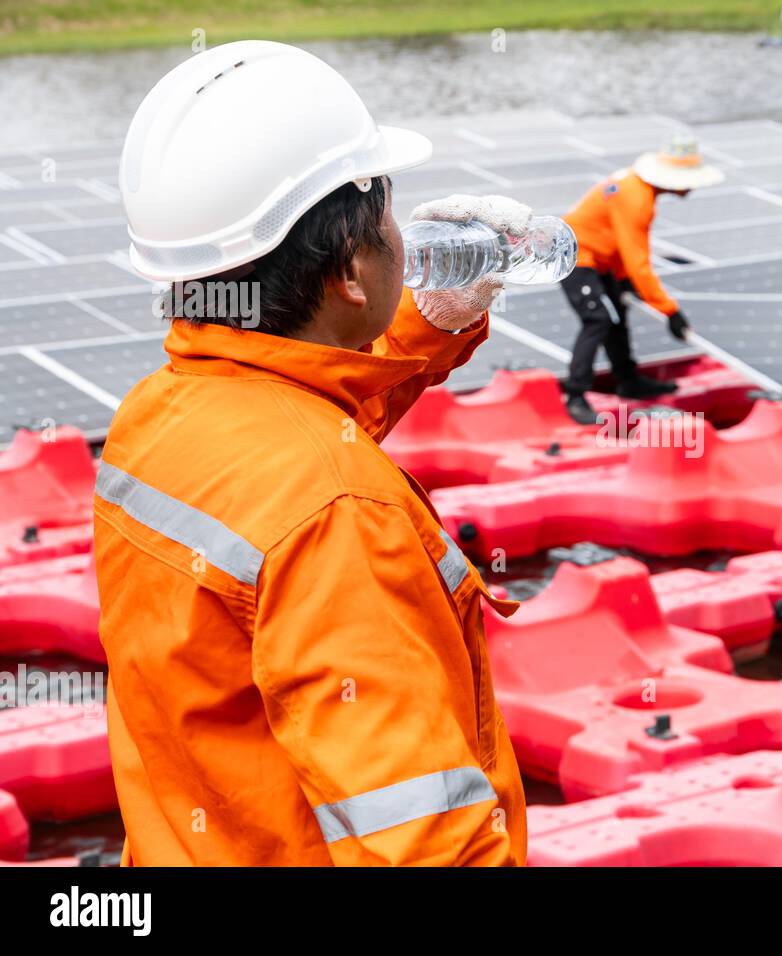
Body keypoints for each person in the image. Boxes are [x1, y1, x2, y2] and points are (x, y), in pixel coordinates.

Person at [95, 40, 527, 865]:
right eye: (391, 214)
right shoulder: (338, 519)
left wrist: (427, 326)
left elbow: (289, 435)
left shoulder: (156, 414)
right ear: (352, 273)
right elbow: (425, 843)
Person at [559, 134, 725, 424]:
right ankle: (575, 395)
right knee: (597, 319)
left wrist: (623, 279)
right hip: (575, 255)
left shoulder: (639, 188)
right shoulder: (636, 199)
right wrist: (669, 310)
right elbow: (638, 261)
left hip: (603, 259)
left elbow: (622, 246)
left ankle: (628, 381)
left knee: (618, 315)